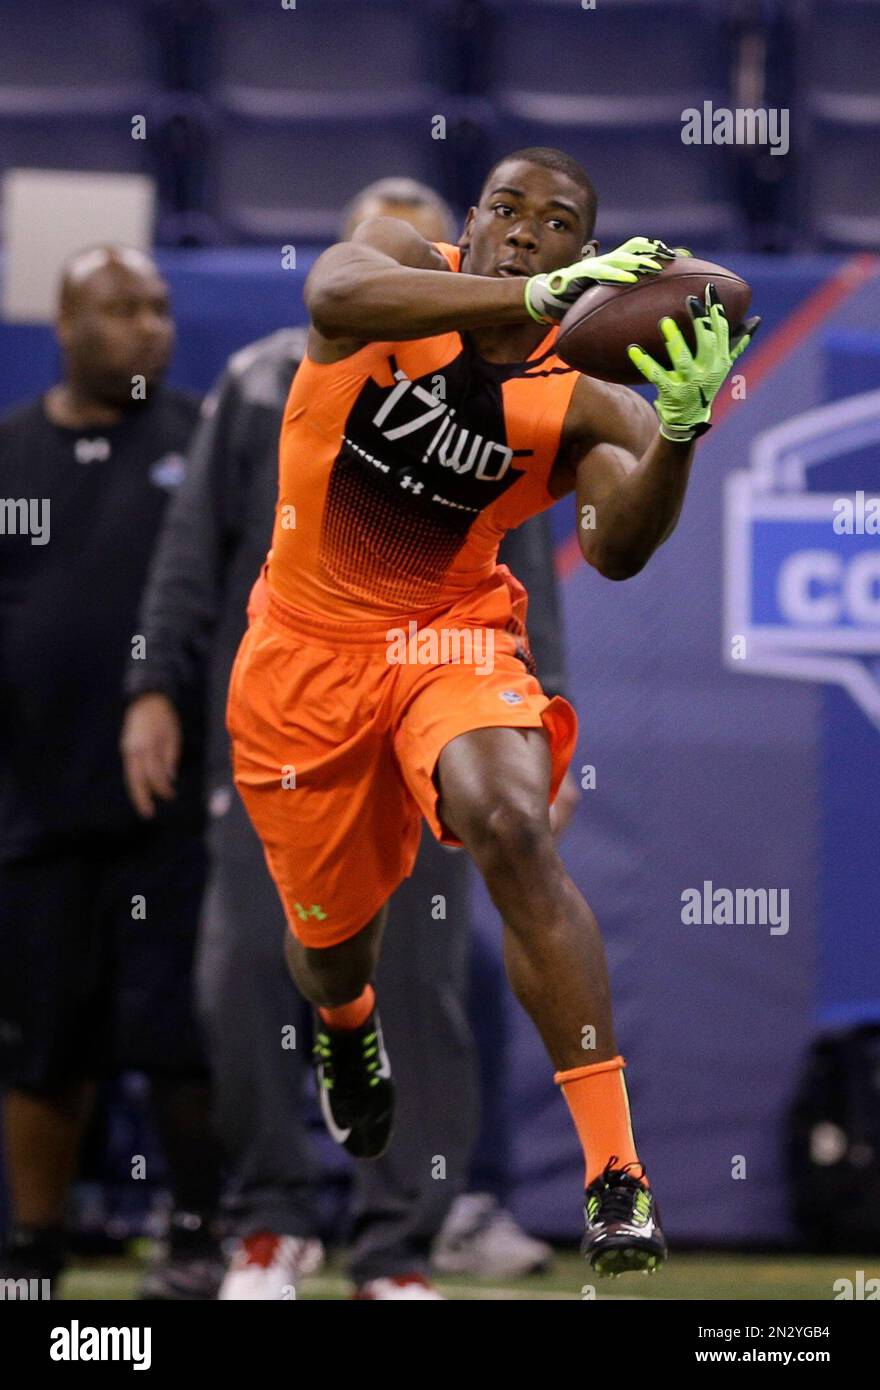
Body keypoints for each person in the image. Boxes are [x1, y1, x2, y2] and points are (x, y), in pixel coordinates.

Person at [226, 145, 760, 1278]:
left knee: (512, 826)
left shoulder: (583, 395)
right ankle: (345, 1024)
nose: (527, 228)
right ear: (468, 224)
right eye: (507, 209)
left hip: (450, 634)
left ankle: (615, 1176)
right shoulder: (390, 269)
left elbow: (616, 551)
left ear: (592, 255)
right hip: (304, 656)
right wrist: (527, 298)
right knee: (327, 948)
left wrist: (674, 431)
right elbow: (329, 292)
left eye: (558, 223)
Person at [121, 177, 570, 1297]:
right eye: (387, 245)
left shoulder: (518, 383)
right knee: (243, 973)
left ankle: (398, 1246)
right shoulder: (270, 369)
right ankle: (267, 1225)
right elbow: (193, 546)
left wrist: (540, 710)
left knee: (426, 991)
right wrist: (153, 684)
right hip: (287, 708)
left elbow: (520, 568)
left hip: (432, 699)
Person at [0, 247, 225, 1298]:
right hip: (38, 809)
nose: (151, 326)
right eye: (123, 309)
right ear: (66, 324)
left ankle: (192, 1235)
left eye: (161, 307)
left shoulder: (201, 441)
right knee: (43, 1045)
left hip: (174, 812)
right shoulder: (11, 459)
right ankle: (35, 1251)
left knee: (181, 1033)